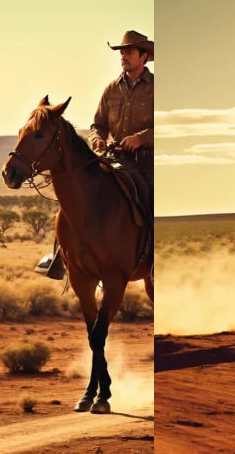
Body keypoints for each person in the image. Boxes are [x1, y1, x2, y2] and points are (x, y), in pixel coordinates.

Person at [37, 31, 154, 280]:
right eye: (121, 52)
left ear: (143, 56)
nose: (123, 56)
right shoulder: (111, 89)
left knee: (150, 200)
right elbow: (97, 124)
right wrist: (97, 139)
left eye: (129, 52)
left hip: (147, 161)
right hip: (114, 158)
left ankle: (154, 261)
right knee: (78, 196)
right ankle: (60, 255)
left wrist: (141, 138)